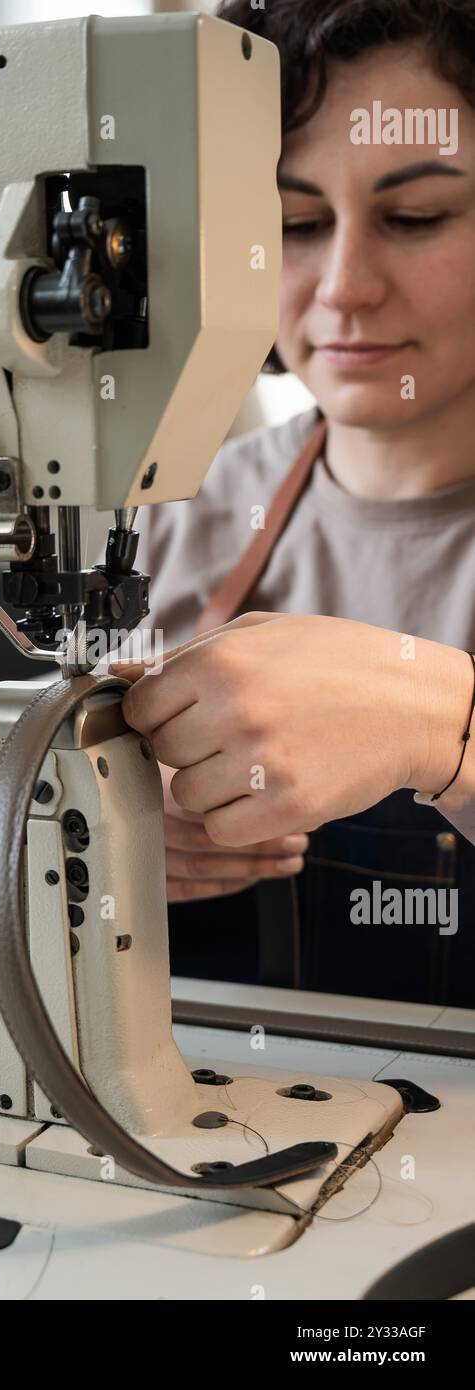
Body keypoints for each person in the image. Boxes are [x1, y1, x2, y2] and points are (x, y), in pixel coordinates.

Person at [122, 0, 475, 1005]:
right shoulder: (179, 506)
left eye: (413, 217)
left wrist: (440, 726)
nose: (342, 288)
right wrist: (89, 848)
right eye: (294, 225)